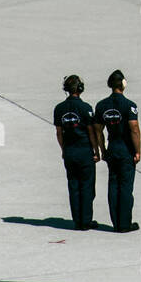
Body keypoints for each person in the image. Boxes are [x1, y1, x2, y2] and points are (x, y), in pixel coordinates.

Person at [53, 75, 100, 231]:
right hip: (84, 152)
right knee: (87, 186)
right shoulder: (86, 108)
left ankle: (77, 220)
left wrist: (64, 150)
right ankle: (86, 220)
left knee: (73, 186)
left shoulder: (59, 108)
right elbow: (91, 132)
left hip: (70, 152)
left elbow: (59, 133)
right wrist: (96, 150)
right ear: (80, 88)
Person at [95, 69, 140, 232]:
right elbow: (134, 129)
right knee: (126, 186)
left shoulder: (101, 106)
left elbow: (98, 131)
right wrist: (137, 151)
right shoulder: (130, 105)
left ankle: (115, 222)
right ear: (123, 84)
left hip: (112, 148)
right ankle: (125, 223)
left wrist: (102, 150)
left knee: (113, 185)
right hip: (126, 149)